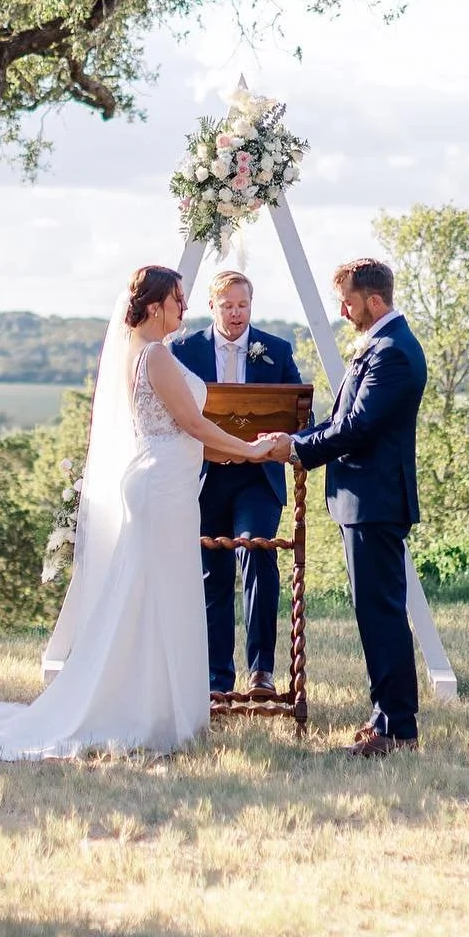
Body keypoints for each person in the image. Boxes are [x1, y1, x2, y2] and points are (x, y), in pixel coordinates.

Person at [0, 266, 276, 759]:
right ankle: (146, 712)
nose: (184, 307)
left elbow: (185, 431)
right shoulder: (157, 355)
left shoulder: (140, 351)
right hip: (162, 486)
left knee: (152, 594)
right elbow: (193, 424)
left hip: (163, 480)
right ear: (154, 306)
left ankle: (156, 707)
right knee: (157, 595)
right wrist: (251, 449)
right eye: (177, 300)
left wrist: (234, 451)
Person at [262, 258, 427, 757]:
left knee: (382, 613)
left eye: (348, 302)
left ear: (374, 300)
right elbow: (343, 420)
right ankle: (385, 716)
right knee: (374, 613)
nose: (343, 311)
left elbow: (357, 427)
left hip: (375, 500)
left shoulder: (392, 352)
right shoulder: (381, 345)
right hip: (363, 500)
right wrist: (293, 439)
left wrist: (295, 448)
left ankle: (396, 727)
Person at [171, 271, 305, 694]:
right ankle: (217, 678)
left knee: (258, 553)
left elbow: (301, 414)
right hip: (205, 476)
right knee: (212, 571)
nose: (235, 314)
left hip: (257, 478)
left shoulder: (276, 350)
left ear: (251, 305)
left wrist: (279, 440)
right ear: (212, 306)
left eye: (242, 305)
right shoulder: (184, 350)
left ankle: (261, 671)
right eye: (227, 306)